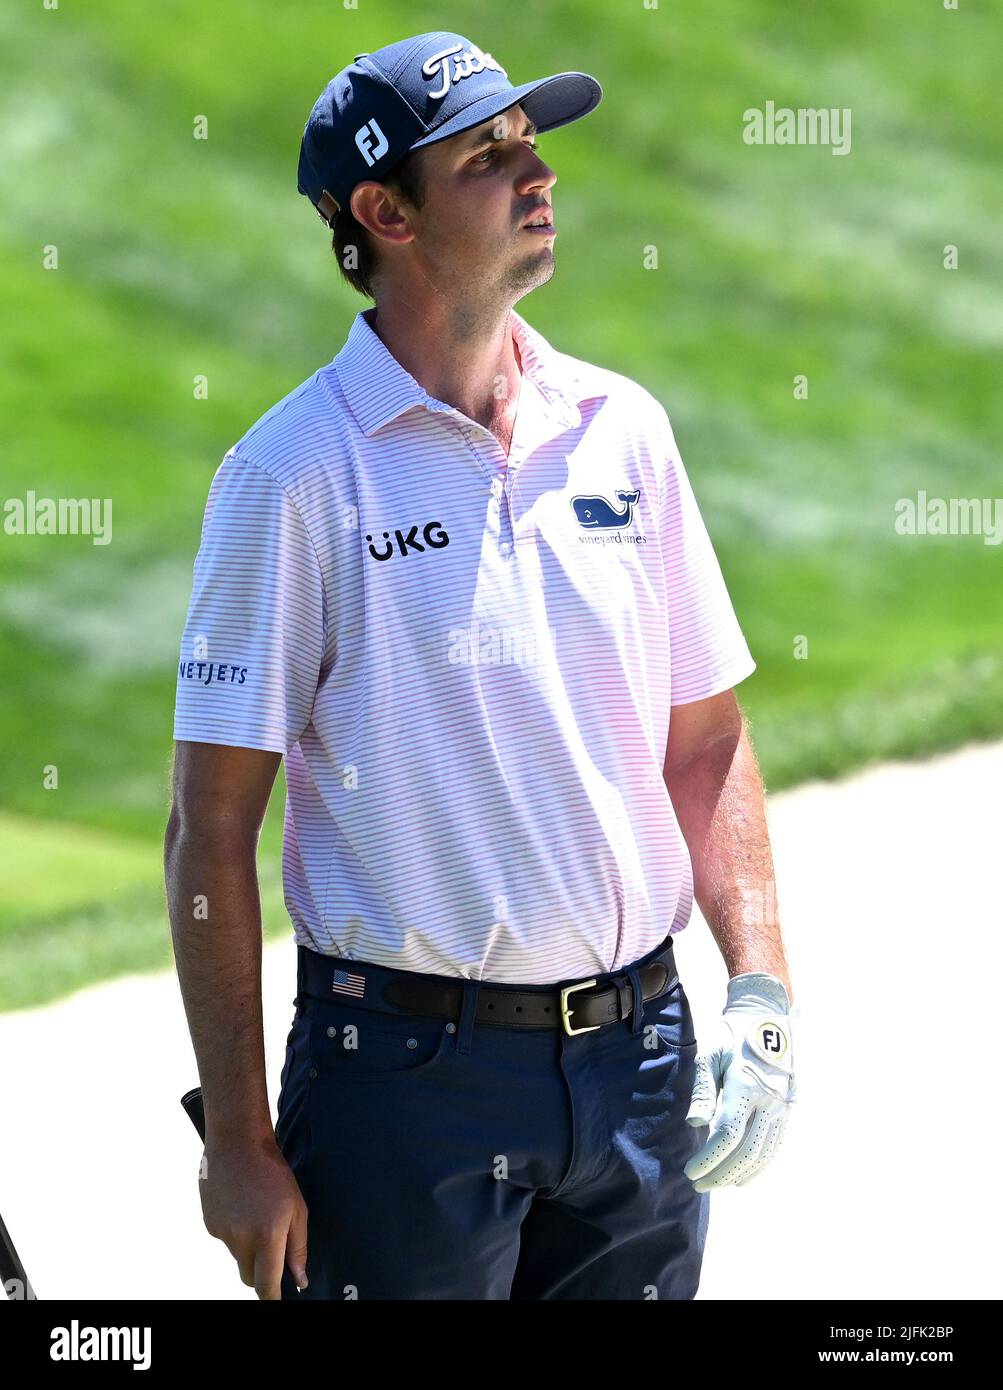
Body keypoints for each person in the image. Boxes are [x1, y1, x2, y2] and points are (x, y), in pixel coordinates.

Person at [164, 29, 797, 1302]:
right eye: (487, 155)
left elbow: (705, 735)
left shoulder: (625, 430)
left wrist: (760, 985)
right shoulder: (292, 475)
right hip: (405, 1084)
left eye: (533, 145)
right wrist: (238, 1141)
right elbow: (209, 826)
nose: (536, 173)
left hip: (641, 1056)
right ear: (384, 211)